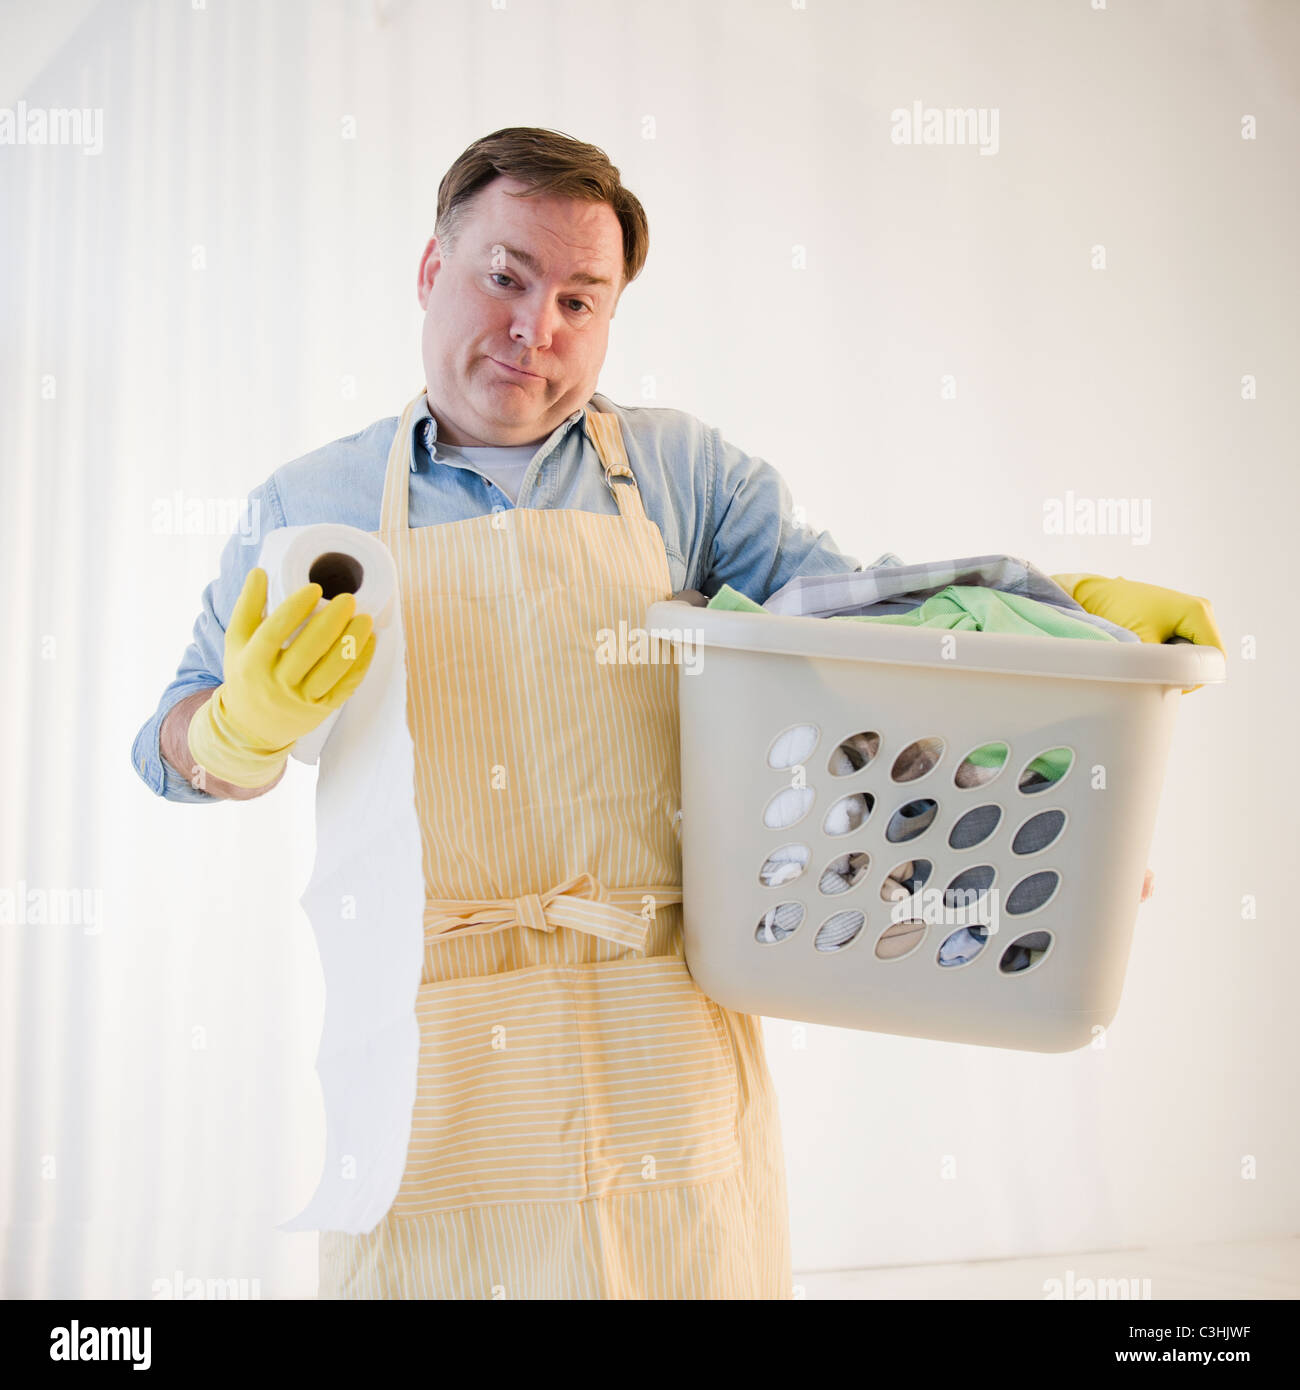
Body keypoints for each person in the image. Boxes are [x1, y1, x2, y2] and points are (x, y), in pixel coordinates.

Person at [131, 126, 1222, 1299]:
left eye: (579, 301)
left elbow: (853, 652)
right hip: (436, 1037)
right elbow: (168, 746)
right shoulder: (311, 506)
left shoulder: (682, 476)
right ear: (429, 269)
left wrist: (1053, 678)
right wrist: (238, 730)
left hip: (663, 1006)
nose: (534, 328)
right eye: (505, 276)